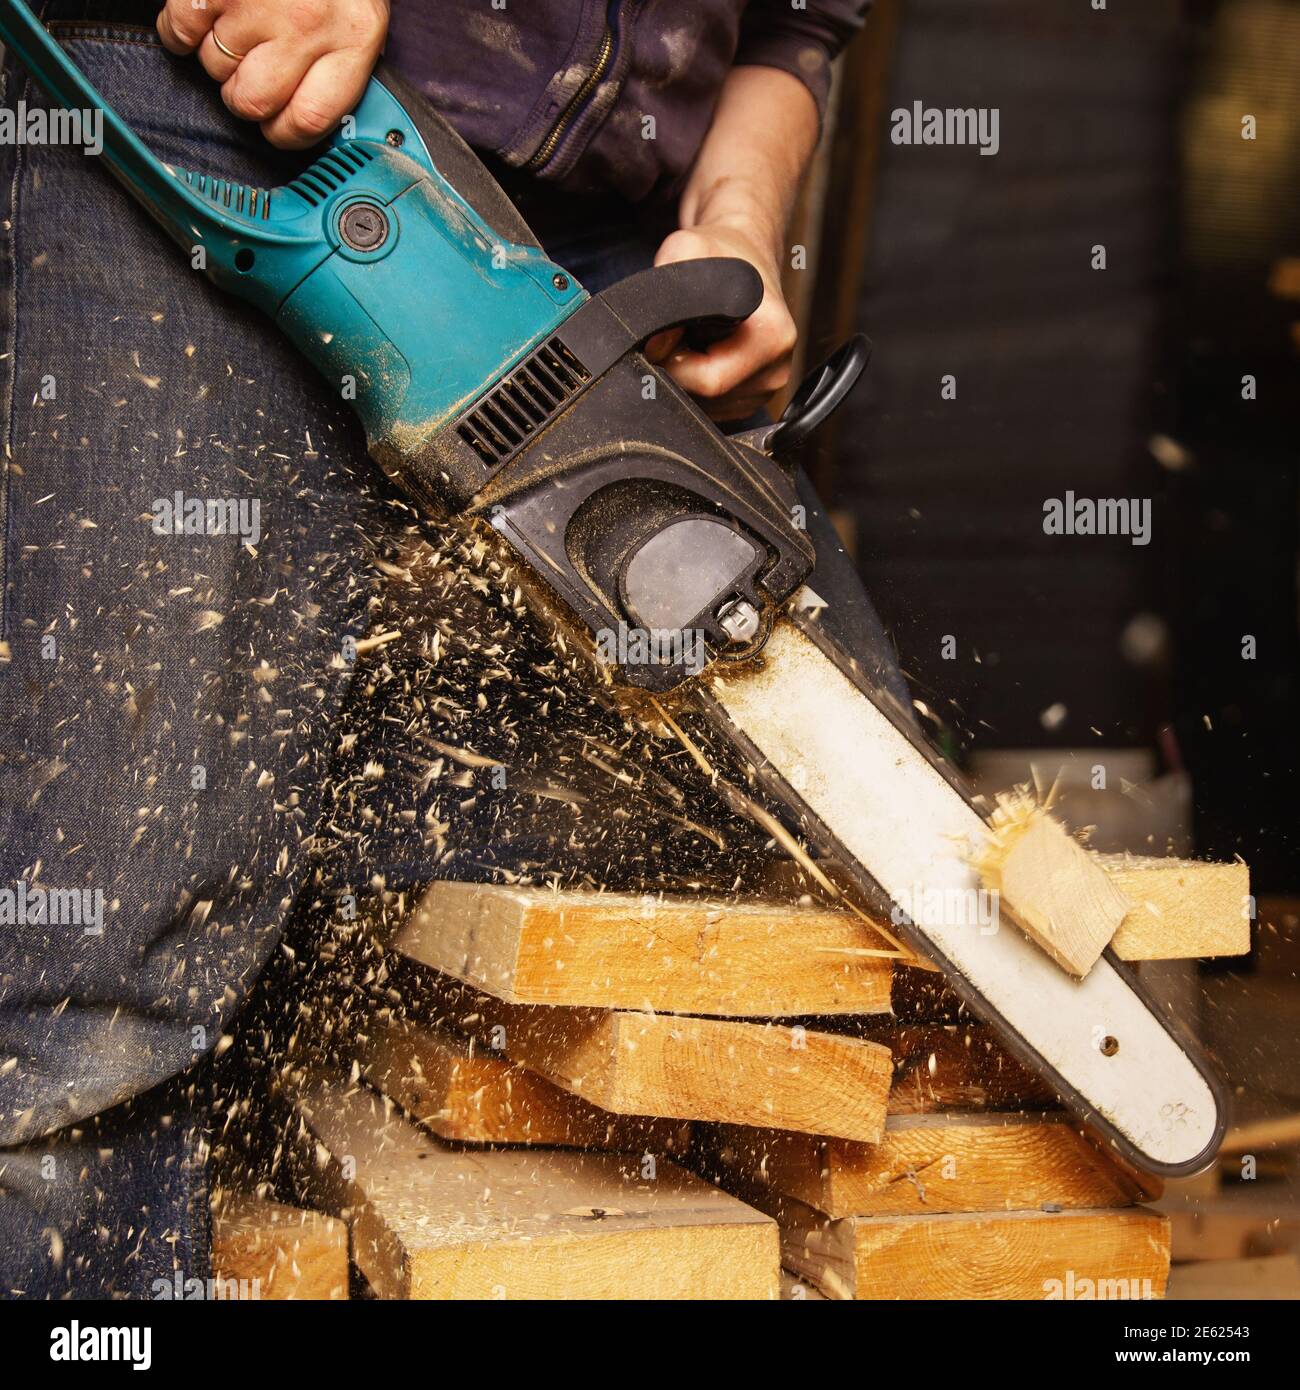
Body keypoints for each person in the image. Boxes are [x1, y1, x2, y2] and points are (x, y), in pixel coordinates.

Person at [0, 0, 895, 1298]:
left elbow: (801, 22)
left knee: (837, 925)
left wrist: (741, 202)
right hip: (218, 88)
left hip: (604, 222)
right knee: (108, 951)